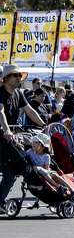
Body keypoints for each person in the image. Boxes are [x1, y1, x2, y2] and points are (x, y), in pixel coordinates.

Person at [1, 65, 45, 212]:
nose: (19, 78)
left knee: (10, 175)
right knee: (17, 167)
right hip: (3, 138)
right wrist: (7, 130)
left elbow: (30, 111)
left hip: (10, 140)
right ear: (6, 78)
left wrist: (44, 125)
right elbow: (0, 112)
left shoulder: (19, 94)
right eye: (15, 75)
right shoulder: (0, 93)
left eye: (20, 75)